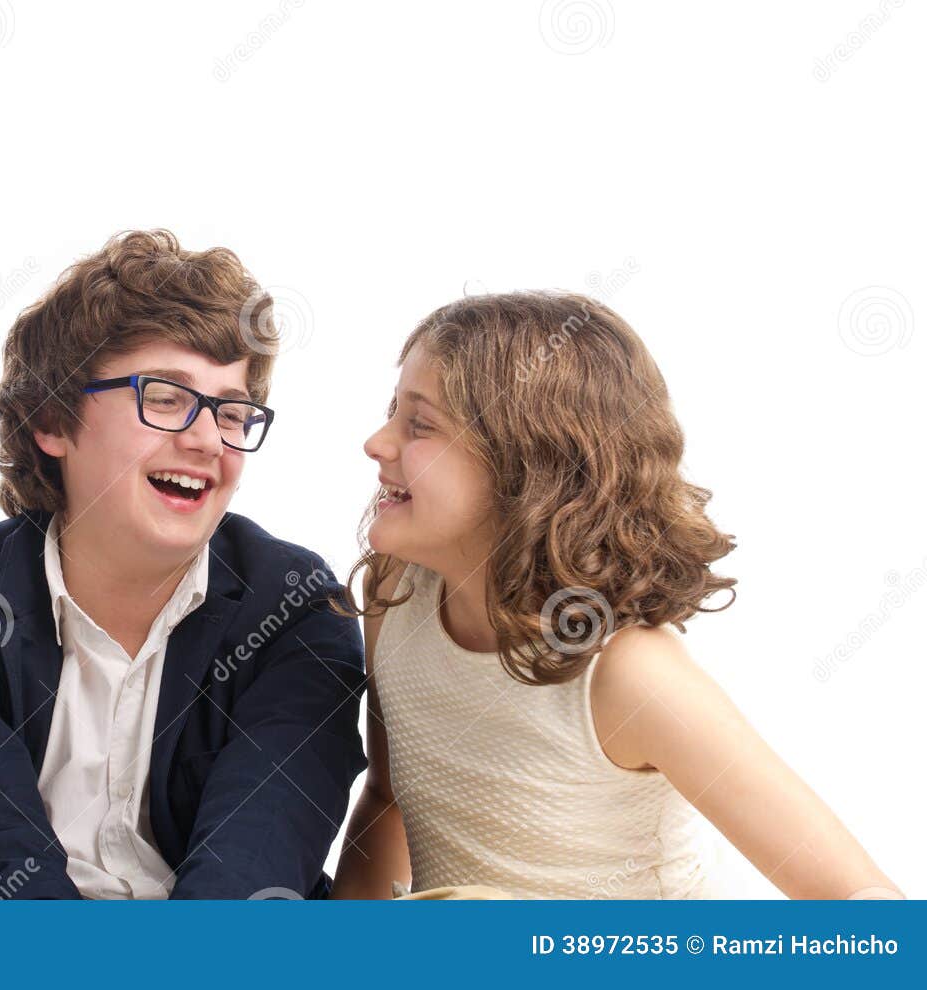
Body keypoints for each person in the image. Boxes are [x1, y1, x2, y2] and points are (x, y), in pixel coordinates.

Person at [330, 291, 902, 900]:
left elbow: (860, 900)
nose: (377, 441)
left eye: (420, 424)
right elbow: (387, 798)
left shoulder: (627, 673)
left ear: (528, 466)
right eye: (394, 410)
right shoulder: (398, 587)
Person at [0, 230, 366, 899]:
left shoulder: (298, 612)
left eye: (231, 411)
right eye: (165, 398)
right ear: (51, 420)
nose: (205, 440)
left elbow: (255, 874)